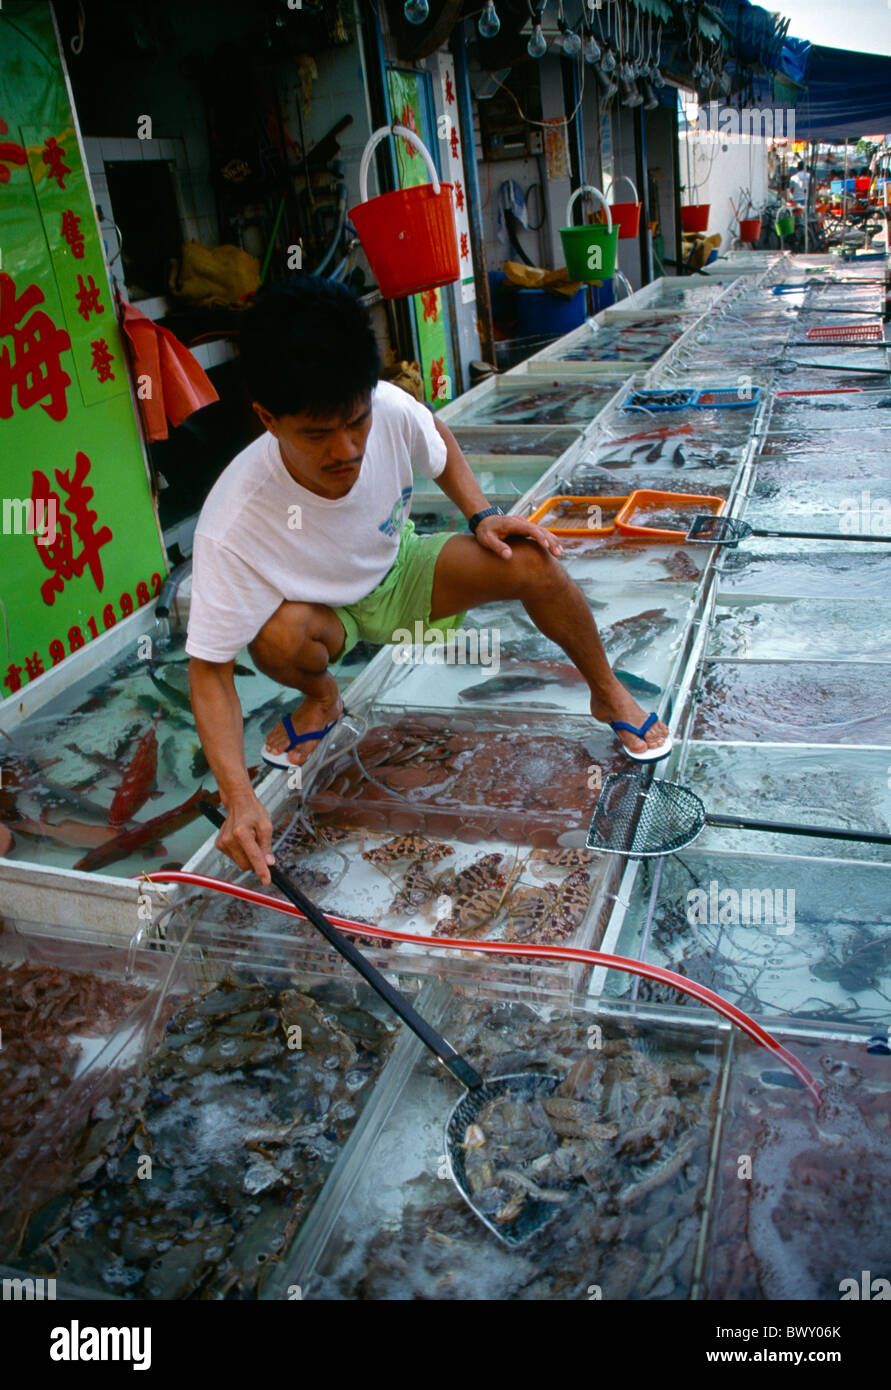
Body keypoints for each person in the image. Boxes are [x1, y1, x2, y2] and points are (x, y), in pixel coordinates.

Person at [186, 277, 670, 884]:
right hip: (324, 614)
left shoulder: (389, 408)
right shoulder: (232, 518)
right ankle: (323, 699)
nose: (346, 450)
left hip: (403, 570)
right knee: (274, 638)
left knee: (533, 562)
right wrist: (238, 797)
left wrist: (483, 514)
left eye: (355, 422)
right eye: (316, 434)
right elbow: (208, 669)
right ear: (267, 419)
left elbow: (434, 436)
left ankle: (608, 692)